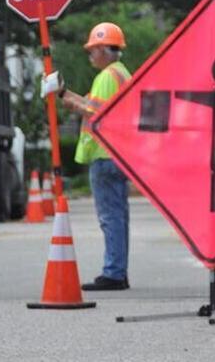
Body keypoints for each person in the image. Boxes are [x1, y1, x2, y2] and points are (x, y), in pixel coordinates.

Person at [41, 22, 131, 291]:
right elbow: (93, 105)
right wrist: (64, 94)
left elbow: (94, 112)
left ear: (105, 49)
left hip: (104, 155)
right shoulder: (121, 74)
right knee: (119, 216)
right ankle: (118, 270)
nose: (90, 55)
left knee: (110, 217)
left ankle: (114, 273)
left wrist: (69, 101)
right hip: (118, 154)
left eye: (93, 50)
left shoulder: (106, 77)